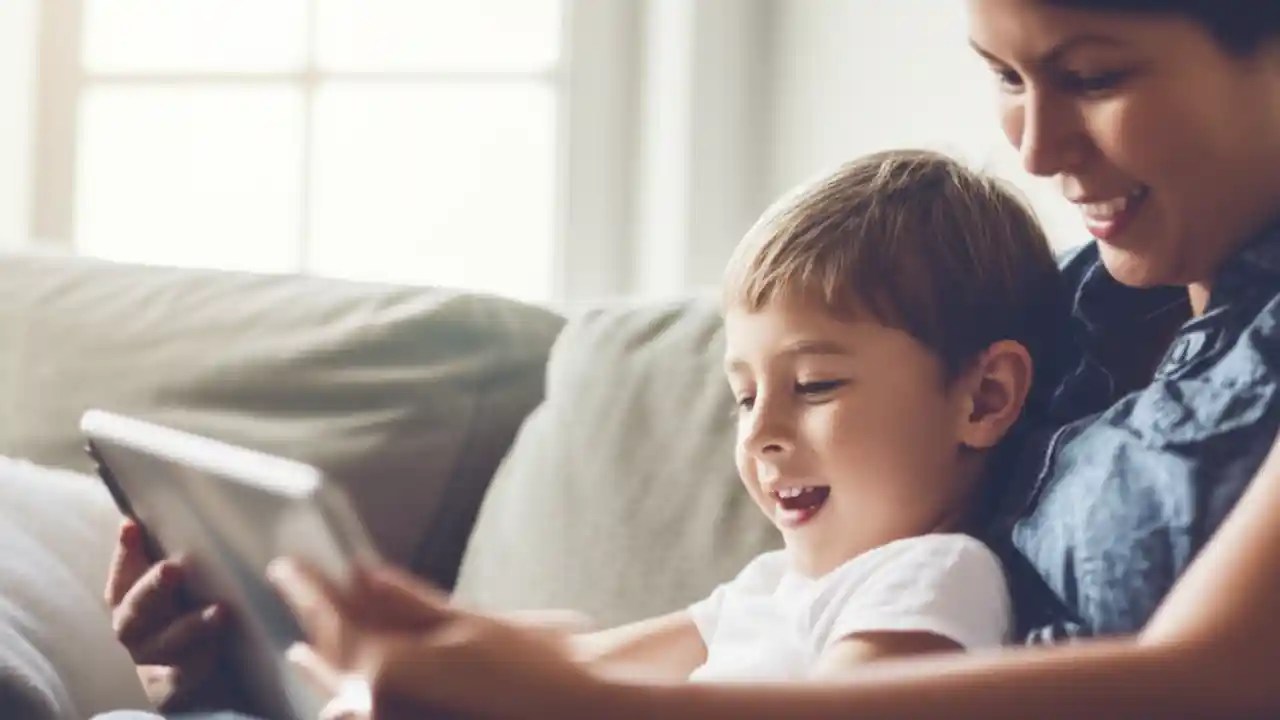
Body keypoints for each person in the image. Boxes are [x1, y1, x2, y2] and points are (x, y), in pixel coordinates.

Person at [107, 0, 1280, 717]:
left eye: (1092, 76)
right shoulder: (1076, 300)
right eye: (1003, 75)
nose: (1030, 147)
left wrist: (571, 707)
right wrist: (276, 652)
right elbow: (595, 647)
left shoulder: (933, 558)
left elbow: (1213, 680)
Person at [103, 148, 1067, 717]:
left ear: (982, 400)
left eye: (815, 385)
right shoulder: (770, 589)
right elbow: (571, 671)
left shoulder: (932, 579)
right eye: (741, 397)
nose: (761, 434)